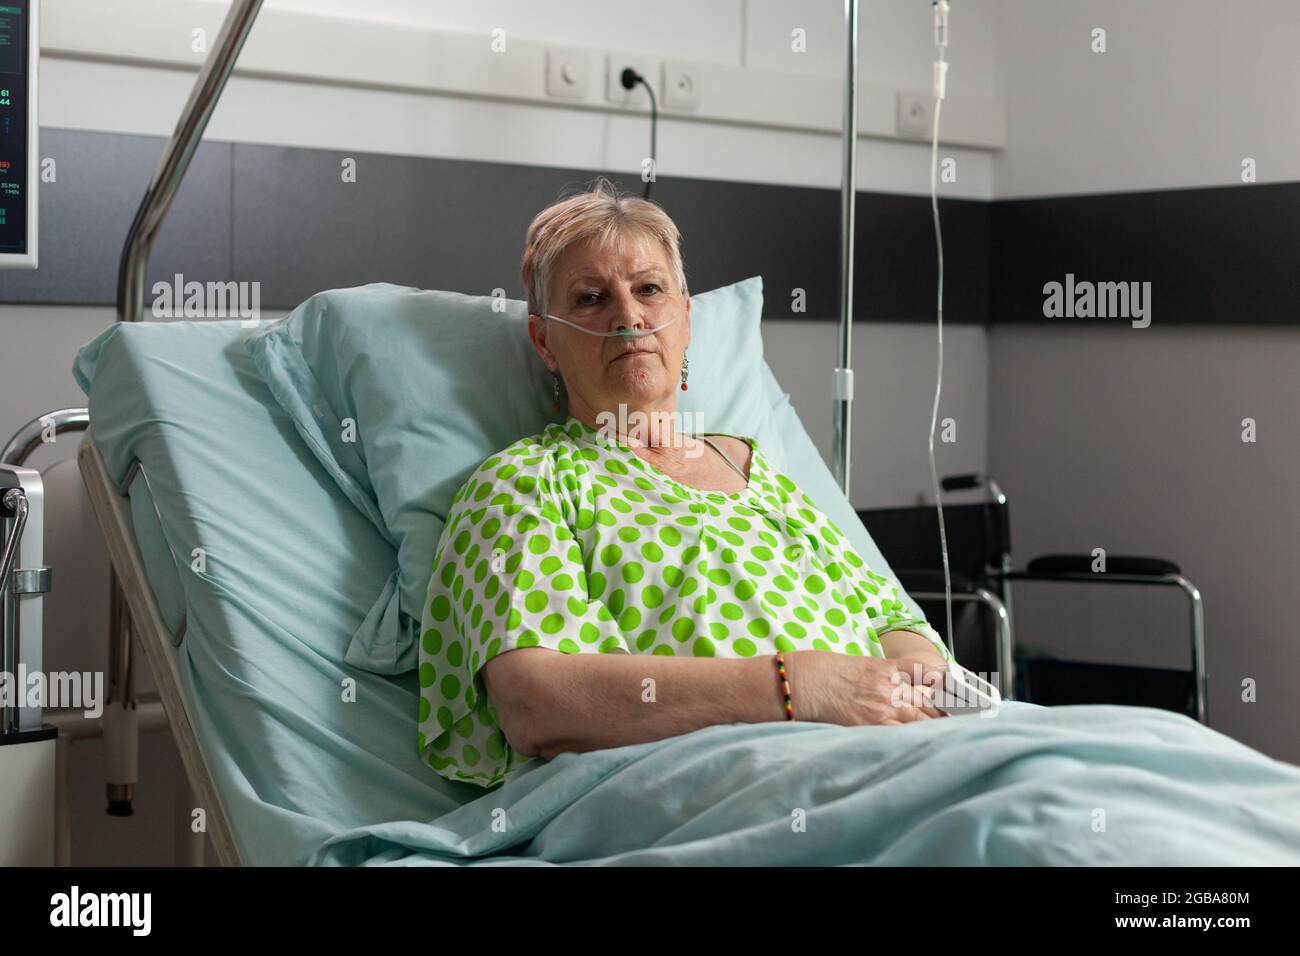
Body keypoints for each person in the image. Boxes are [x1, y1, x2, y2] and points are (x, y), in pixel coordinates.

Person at [417, 178, 952, 788]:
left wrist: (921, 690)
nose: (628, 316)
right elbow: (537, 703)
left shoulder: (751, 471)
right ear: (544, 341)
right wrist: (798, 687)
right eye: (591, 298)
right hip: (712, 781)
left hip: (902, 746)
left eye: (649, 289)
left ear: (686, 320)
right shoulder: (524, 483)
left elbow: (890, 619)